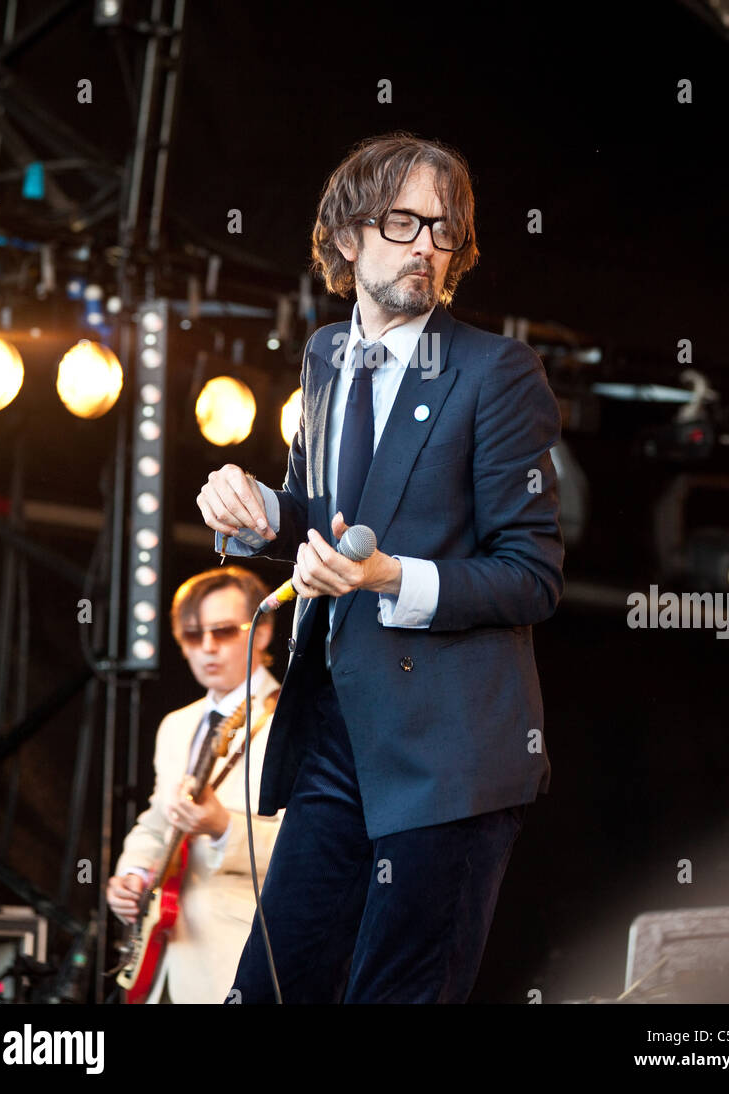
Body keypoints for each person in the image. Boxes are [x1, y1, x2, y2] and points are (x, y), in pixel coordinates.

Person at [197, 130, 564, 1003]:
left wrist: (390, 576)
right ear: (348, 236)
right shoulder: (326, 356)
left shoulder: (497, 372)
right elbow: (321, 520)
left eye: (444, 231)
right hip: (335, 734)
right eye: (404, 224)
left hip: (447, 757)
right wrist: (256, 513)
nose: (426, 248)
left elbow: (531, 575)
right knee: (270, 989)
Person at [106, 566, 282, 1004]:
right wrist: (130, 876)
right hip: (159, 958)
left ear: (262, 633)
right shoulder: (176, 725)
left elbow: (318, 848)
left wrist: (223, 825)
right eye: (191, 634)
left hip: (241, 959)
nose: (206, 647)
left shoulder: (295, 721)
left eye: (223, 631)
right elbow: (156, 821)